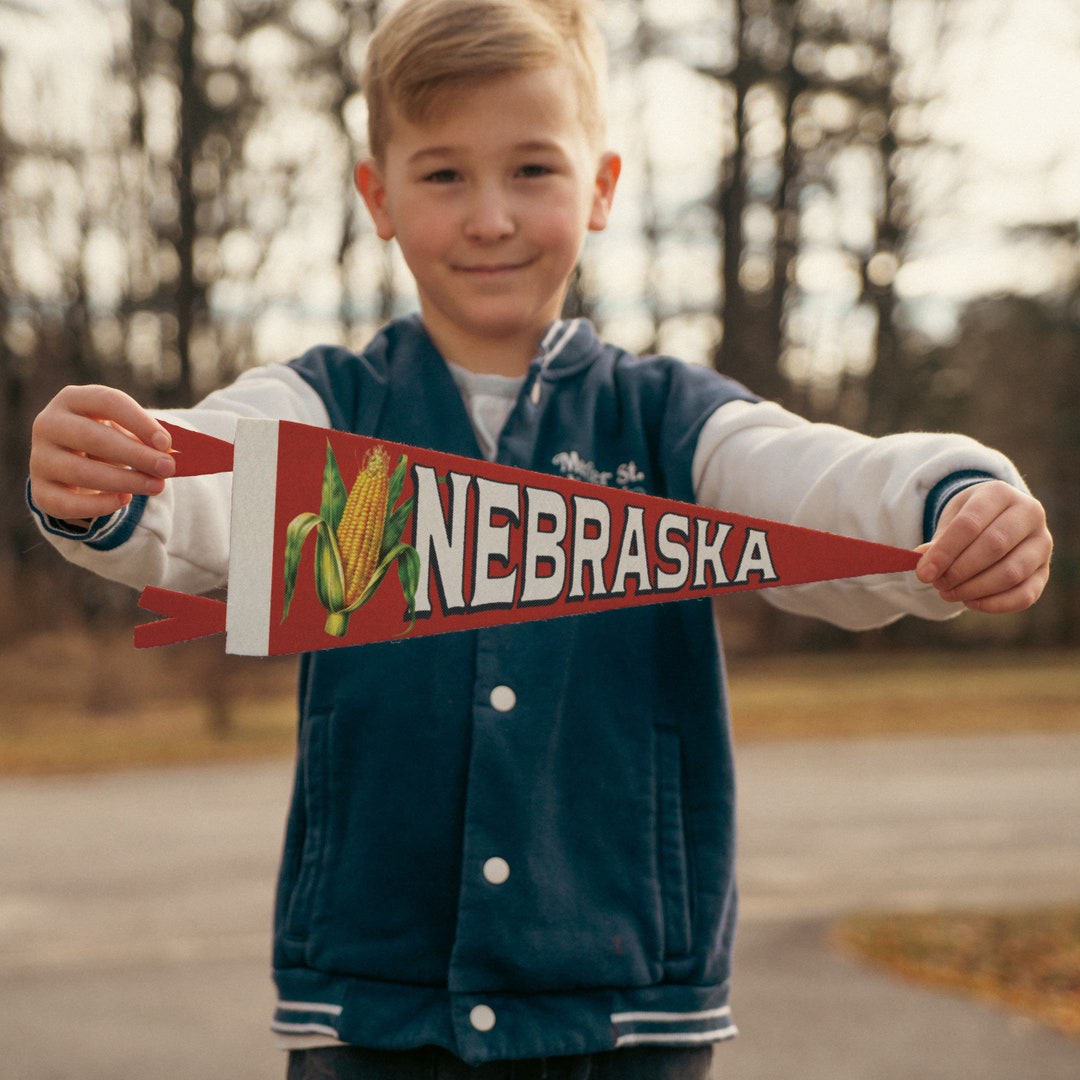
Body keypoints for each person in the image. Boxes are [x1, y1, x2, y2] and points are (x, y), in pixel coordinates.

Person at [27, 1, 1052, 1077]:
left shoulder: (667, 420)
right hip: (375, 1010)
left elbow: (813, 481)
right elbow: (204, 483)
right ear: (377, 195)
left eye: (530, 170)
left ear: (601, 187)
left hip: (626, 1014)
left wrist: (952, 498)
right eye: (442, 175)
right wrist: (113, 477)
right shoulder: (328, 408)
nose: (489, 218)